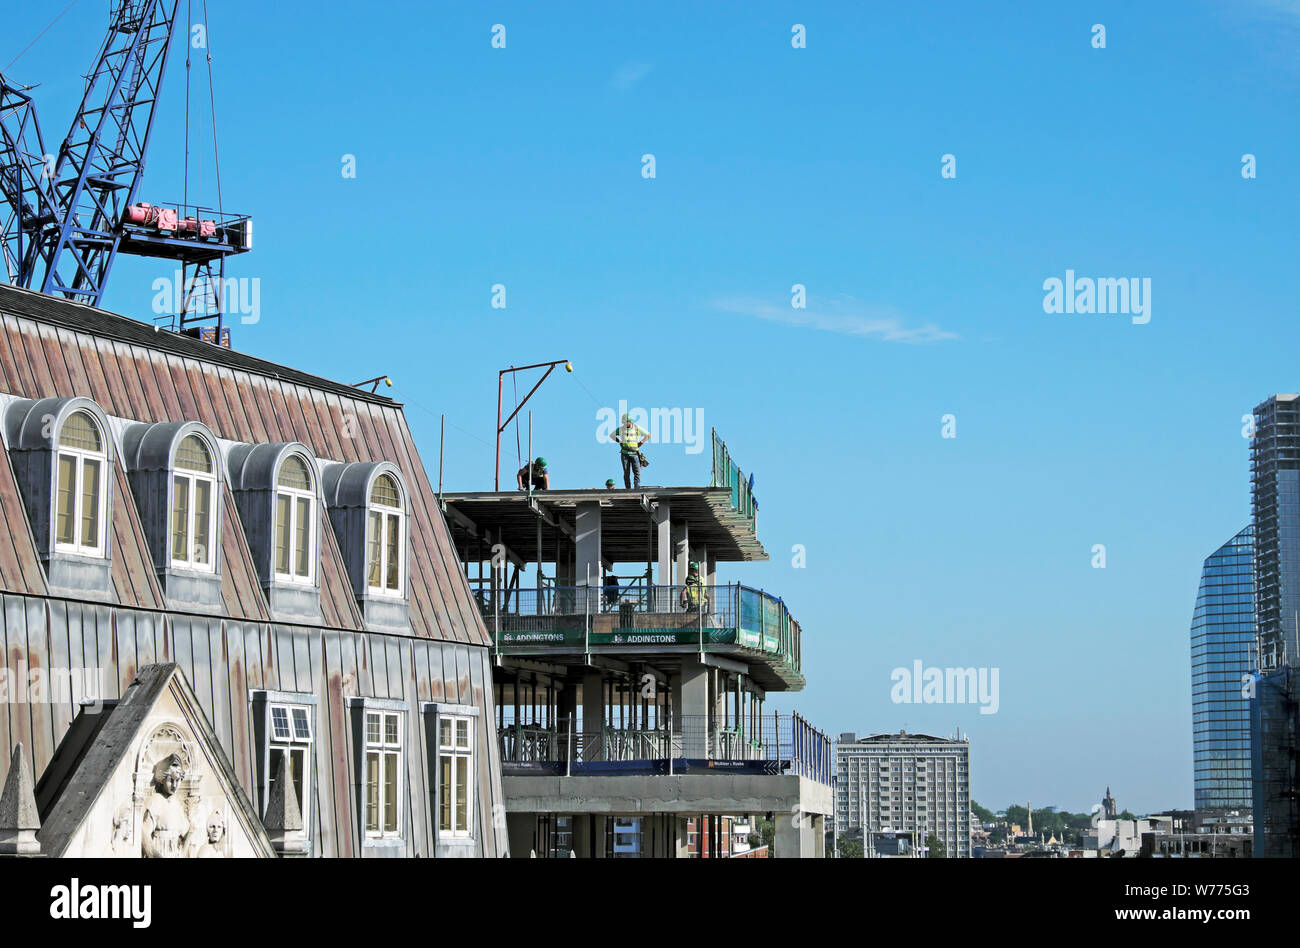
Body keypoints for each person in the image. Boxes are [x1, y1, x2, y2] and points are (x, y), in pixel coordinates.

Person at [611, 414, 649, 488]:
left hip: (634, 453)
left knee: (637, 472)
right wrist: (620, 442)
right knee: (626, 472)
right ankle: (628, 487)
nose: (624, 424)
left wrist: (641, 443)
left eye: (625, 422)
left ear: (629, 421)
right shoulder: (621, 429)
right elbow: (612, 435)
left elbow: (647, 435)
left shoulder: (636, 428)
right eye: (623, 422)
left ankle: (636, 486)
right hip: (625, 453)